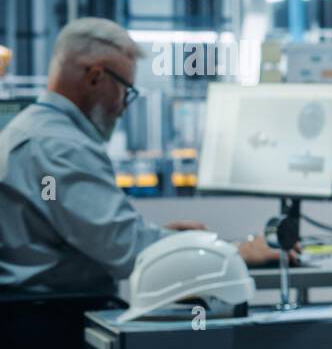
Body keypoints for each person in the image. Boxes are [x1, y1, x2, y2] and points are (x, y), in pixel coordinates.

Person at [0, 18, 281, 295]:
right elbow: (129, 251)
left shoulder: (34, 128)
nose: (123, 107)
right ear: (95, 77)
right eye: (125, 90)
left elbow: (93, 236)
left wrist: (165, 239)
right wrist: (234, 252)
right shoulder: (60, 146)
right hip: (54, 319)